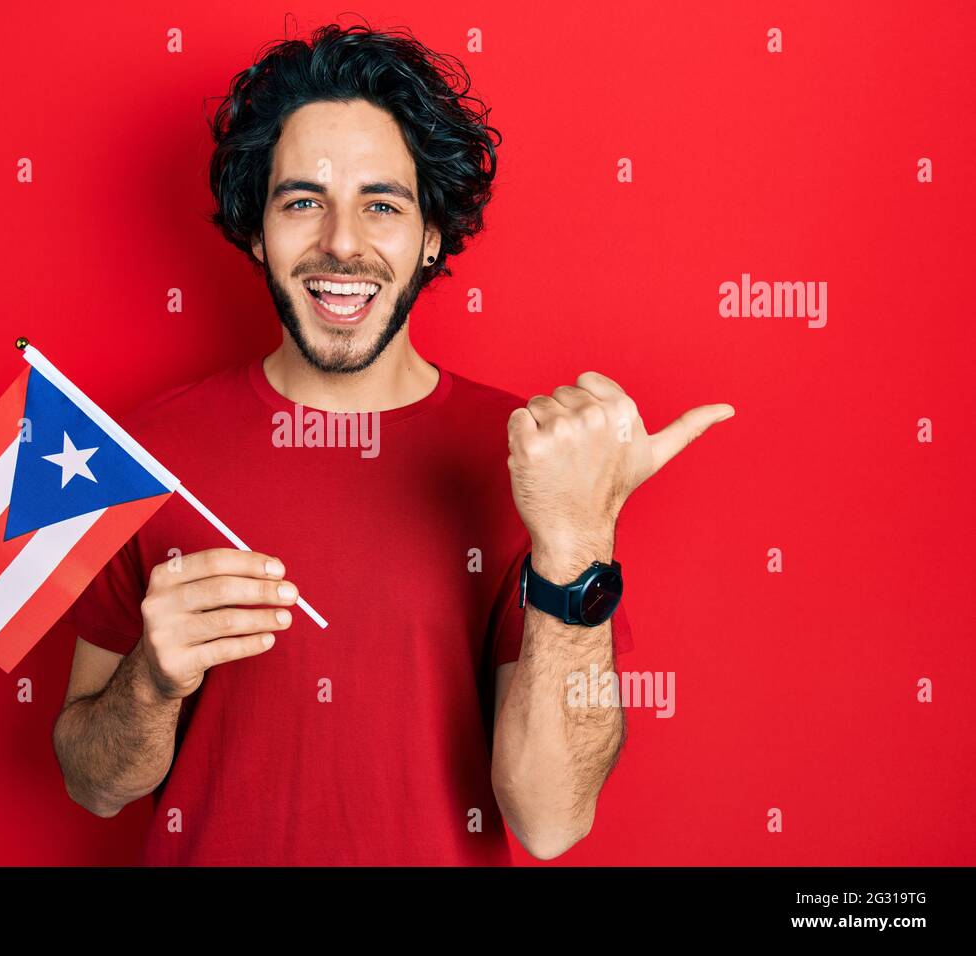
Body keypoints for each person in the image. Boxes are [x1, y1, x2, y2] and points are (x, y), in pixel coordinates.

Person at [51, 22, 733, 866]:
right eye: (303, 201)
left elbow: (553, 820)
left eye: (383, 204)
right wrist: (151, 683)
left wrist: (578, 544)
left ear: (431, 237)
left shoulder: (528, 459)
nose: (343, 242)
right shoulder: (142, 452)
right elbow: (94, 783)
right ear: (257, 232)